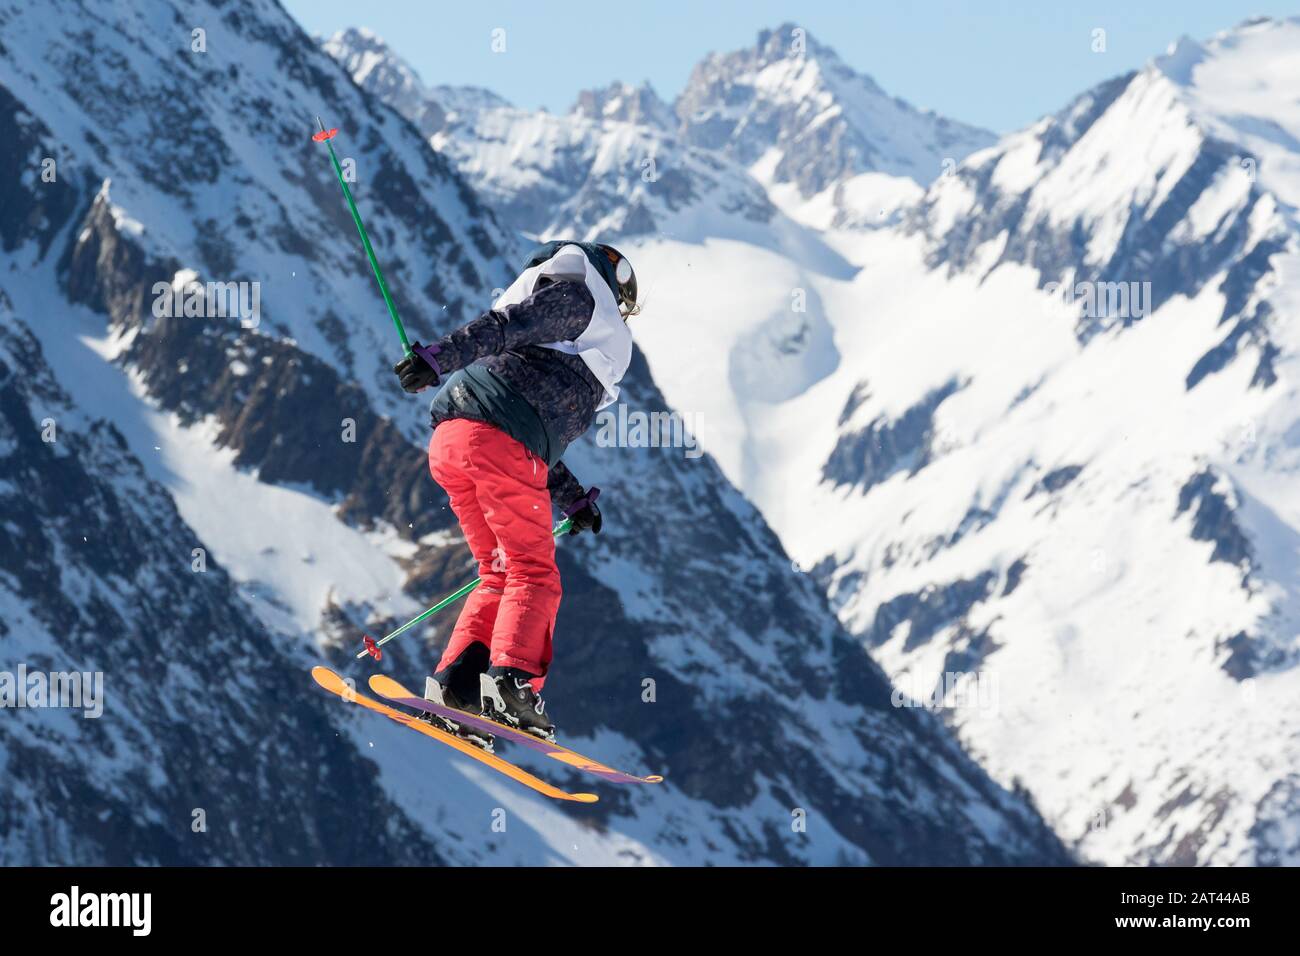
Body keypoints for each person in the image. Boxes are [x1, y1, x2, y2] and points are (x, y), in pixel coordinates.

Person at [393, 240, 637, 743]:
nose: (626, 313)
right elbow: (505, 329)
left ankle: (456, 692)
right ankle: (510, 685)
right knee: (535, 574)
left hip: (458, 441)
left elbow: (527, 428)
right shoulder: (578, 299)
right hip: (496, 440)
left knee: (499, 572)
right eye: (626, 297)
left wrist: (570, 498)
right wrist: (439, 357)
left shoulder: (571, 339)